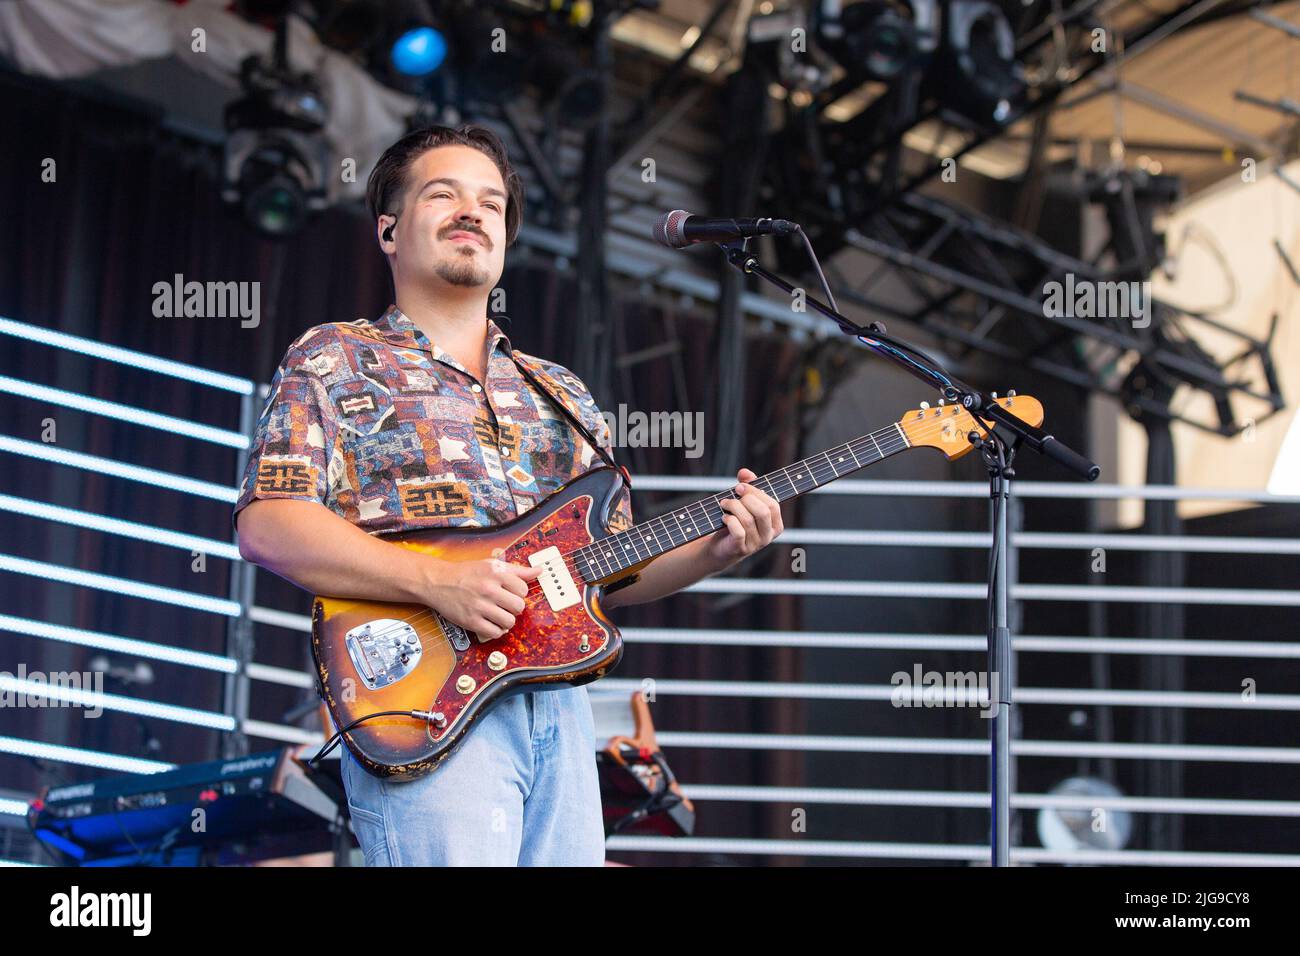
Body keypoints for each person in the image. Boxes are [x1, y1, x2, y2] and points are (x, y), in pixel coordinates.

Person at [232, 124, 783, 866]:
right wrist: (439, 580)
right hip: (422, 701)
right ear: (389, 230)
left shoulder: (561, 393)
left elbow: (611, 566)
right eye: (443, 193)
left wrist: (716, 550)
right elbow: (269, 523)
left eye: (491, 202)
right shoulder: (336, 355)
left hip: (557, 701)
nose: (473, 211)